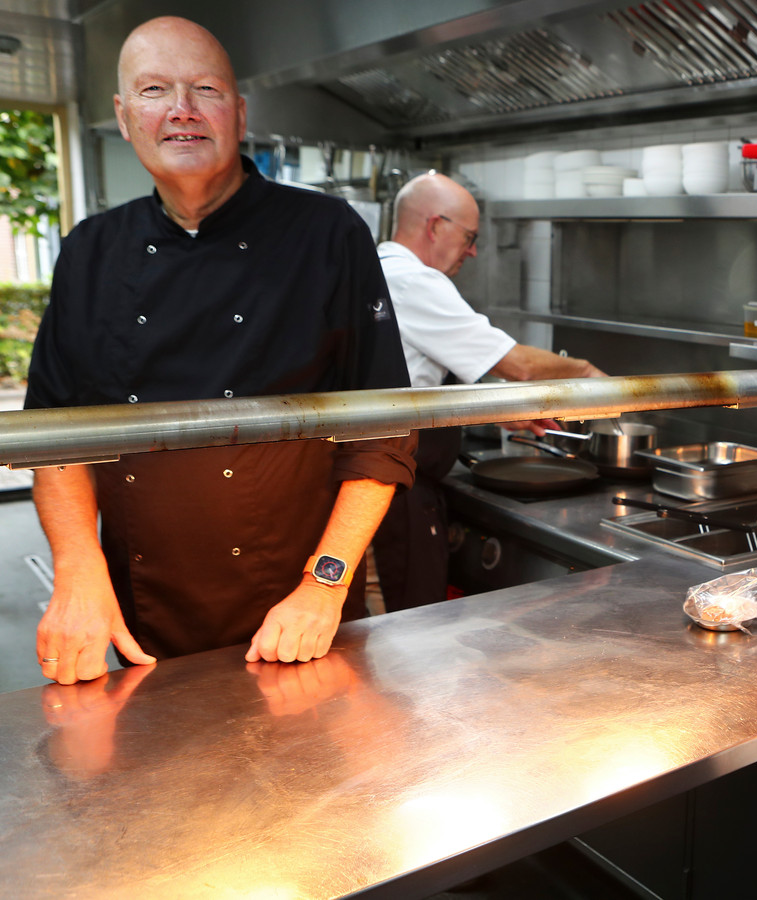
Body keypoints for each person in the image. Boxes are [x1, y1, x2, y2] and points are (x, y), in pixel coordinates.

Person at [25, 16, 416, 685]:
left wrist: (325, 584)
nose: (181, 110)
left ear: (238, 113)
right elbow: (54, 433)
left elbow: (381, 430)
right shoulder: (91, 251)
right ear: (124, 117)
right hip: (139, 618)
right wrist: (78, 569)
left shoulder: (326, 235)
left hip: (301, 615)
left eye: (204, 89)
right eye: (154, 90)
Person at [372, 172, 606, 611]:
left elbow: (411, 384)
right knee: (410, 627)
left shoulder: (382, 270)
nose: (474, 250)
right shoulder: (412, 280)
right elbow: (518, 364)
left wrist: (491, 411)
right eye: (470, 236)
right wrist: (586, 371)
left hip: (397, 480)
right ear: (435, 225)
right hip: (396, 484)